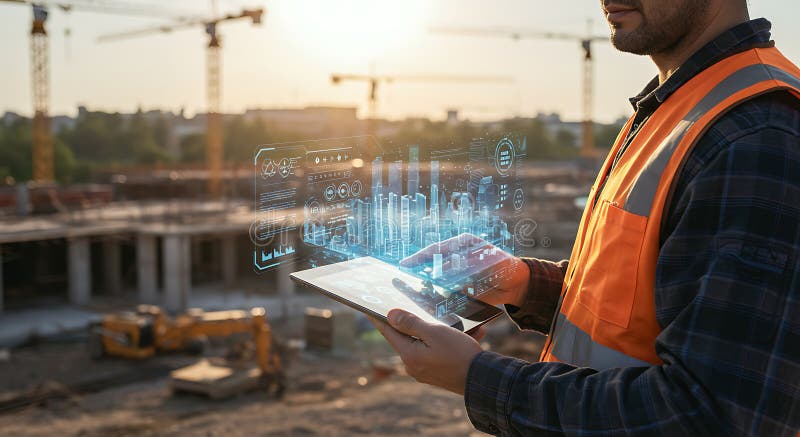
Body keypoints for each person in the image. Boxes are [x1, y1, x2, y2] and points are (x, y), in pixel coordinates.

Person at [370, 0, 800, 435]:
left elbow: (711, 417)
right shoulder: (678, 108)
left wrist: (477, 377)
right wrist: (523, 283)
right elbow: (643, 308)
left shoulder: (757, 134)